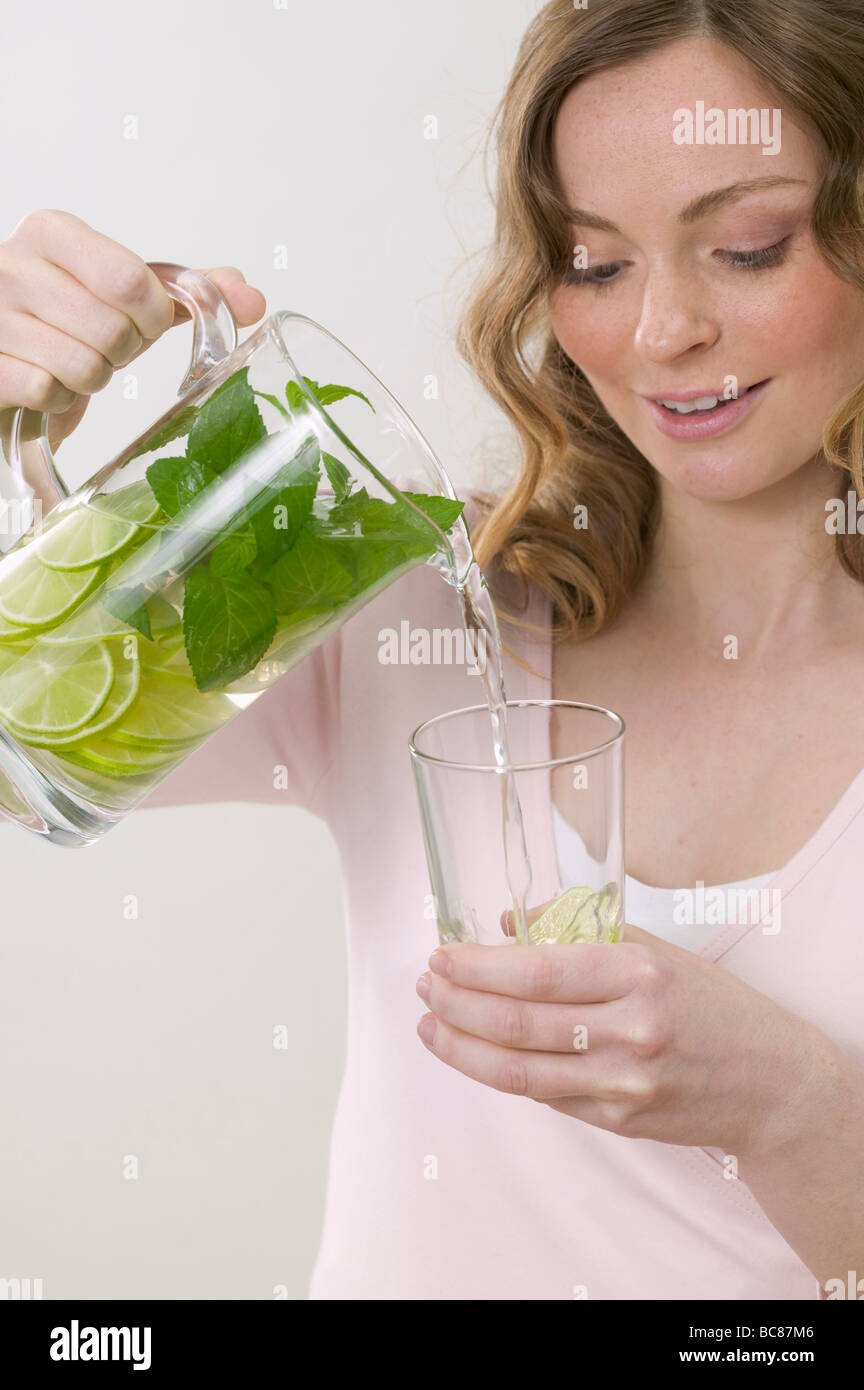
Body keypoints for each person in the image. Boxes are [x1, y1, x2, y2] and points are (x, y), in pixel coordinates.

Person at [1, 0, 862, 1301]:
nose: (661, 331)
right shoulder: (395, 585)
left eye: (746, 247)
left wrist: (793, 1108)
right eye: (595, 262)